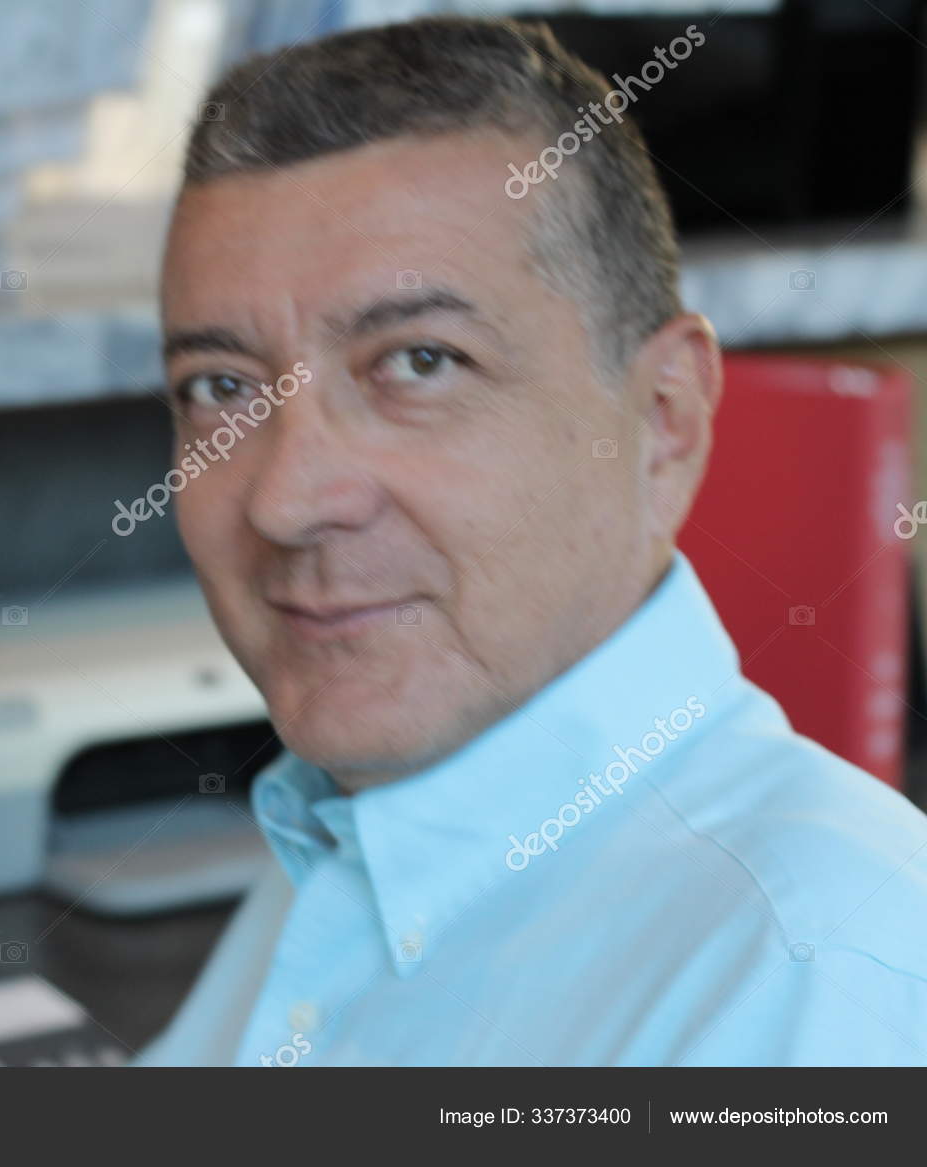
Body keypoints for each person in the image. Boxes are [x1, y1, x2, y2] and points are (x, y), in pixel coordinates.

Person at [140, 17, 927, 1066]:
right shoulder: (348, 819)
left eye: (418, 364)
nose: (285, 500)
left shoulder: (814, 982)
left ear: (663, 420)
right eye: (222, 389)